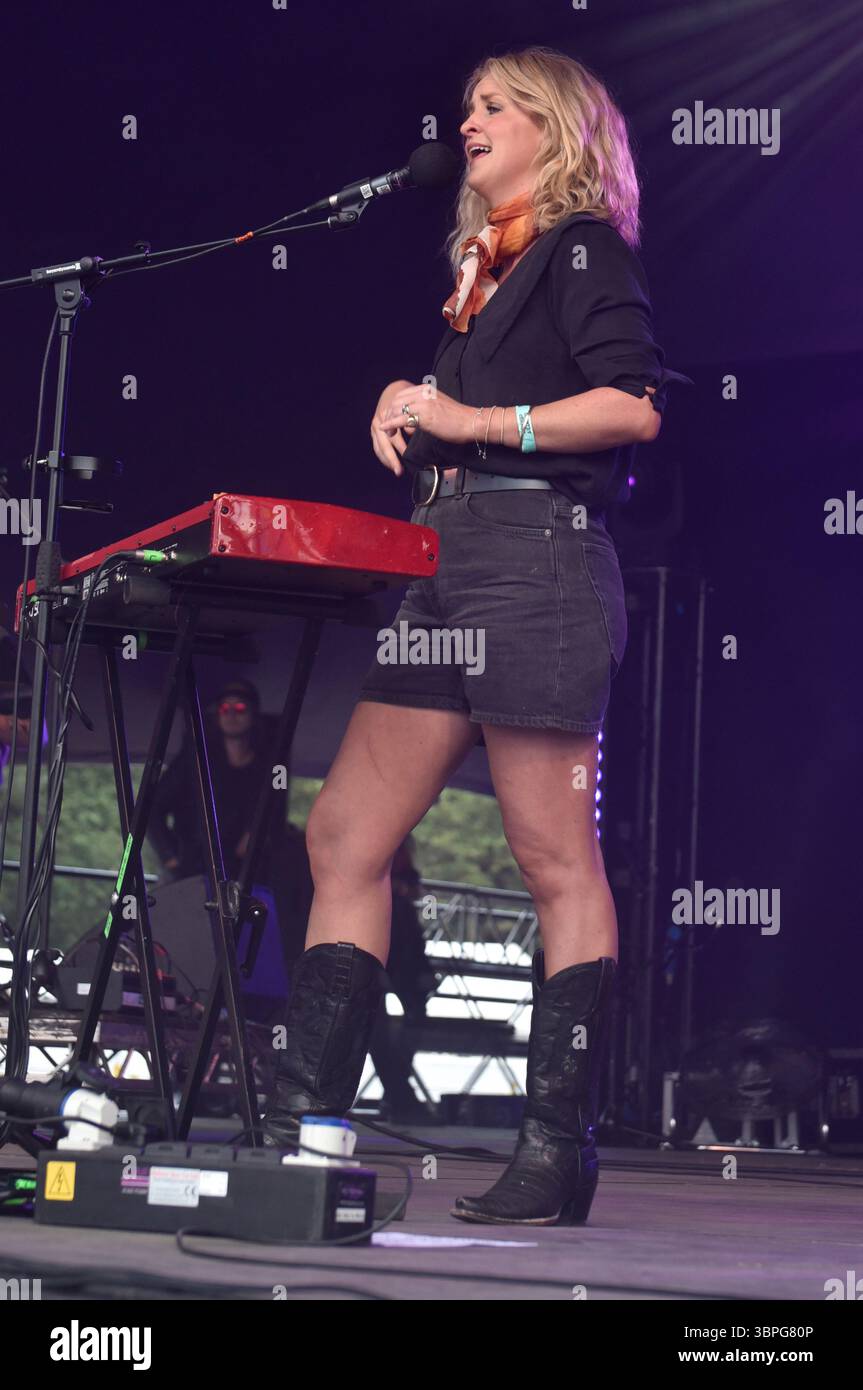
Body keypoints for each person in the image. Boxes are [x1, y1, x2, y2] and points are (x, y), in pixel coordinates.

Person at [263, 46, 690, 1226]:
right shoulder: (481, 271)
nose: (469, 120)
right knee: (346, 833)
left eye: (497, 105)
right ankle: (311, 1125)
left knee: (552, 858)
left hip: (537, 566)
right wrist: (410, 402)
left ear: (556, 131)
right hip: (442, 570)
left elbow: (630, 402)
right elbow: (469, 407)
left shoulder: (581, 248)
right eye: (465, 107)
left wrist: (470, 415)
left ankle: (556, 1149)